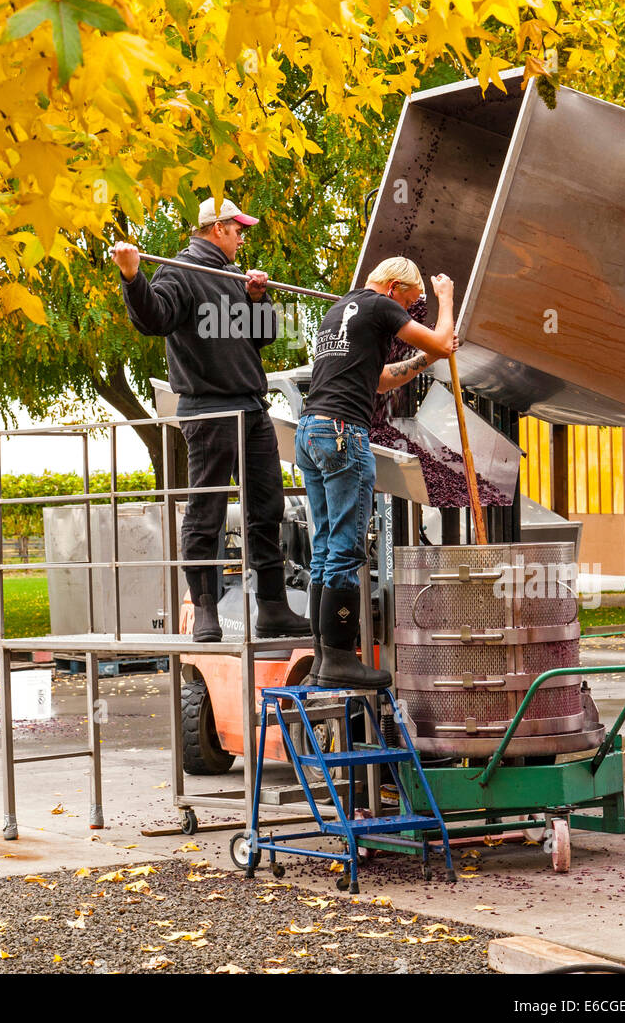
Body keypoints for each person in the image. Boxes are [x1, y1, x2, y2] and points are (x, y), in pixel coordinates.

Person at [111, 197, 310, 643]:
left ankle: (273, 609)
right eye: (239, 229)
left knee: (267, 509)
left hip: (252, 410)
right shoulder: (178, 273)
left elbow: (263, 339)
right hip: (209, 411)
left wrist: (259, 298)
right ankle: (206, 613)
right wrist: (131, 276)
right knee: (207, 514)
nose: (243, 237)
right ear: (217, 228)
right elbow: (154, 319)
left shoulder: (235, 276)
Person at [296, 257, 456, 689]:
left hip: (311, 432)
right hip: (344, 433)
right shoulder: (381, 305)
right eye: (409, 300)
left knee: (326, 549)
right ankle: (341, 661)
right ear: (391, 287)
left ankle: (322, 659)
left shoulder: (338, 312)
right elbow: (443, 344)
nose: (407, 310)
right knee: (347, 550)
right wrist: (445, 297)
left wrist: (420, 360)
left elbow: (380, 380)